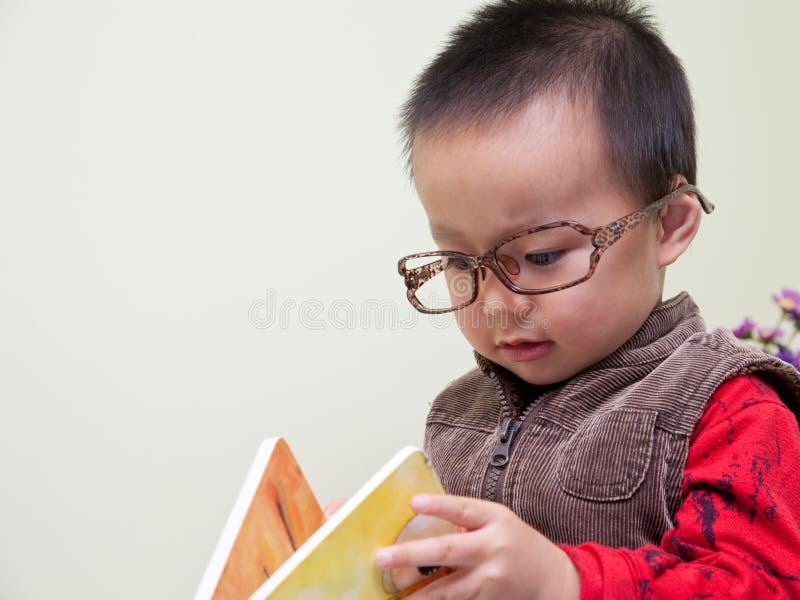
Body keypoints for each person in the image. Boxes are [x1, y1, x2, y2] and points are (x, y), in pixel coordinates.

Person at [373, 0, 800, 598]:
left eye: (542, 256)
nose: (496, 303)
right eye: (460, 263)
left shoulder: (729, 412)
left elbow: (763, 585)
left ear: (670, 224)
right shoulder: (457, 417)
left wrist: (565, 581)